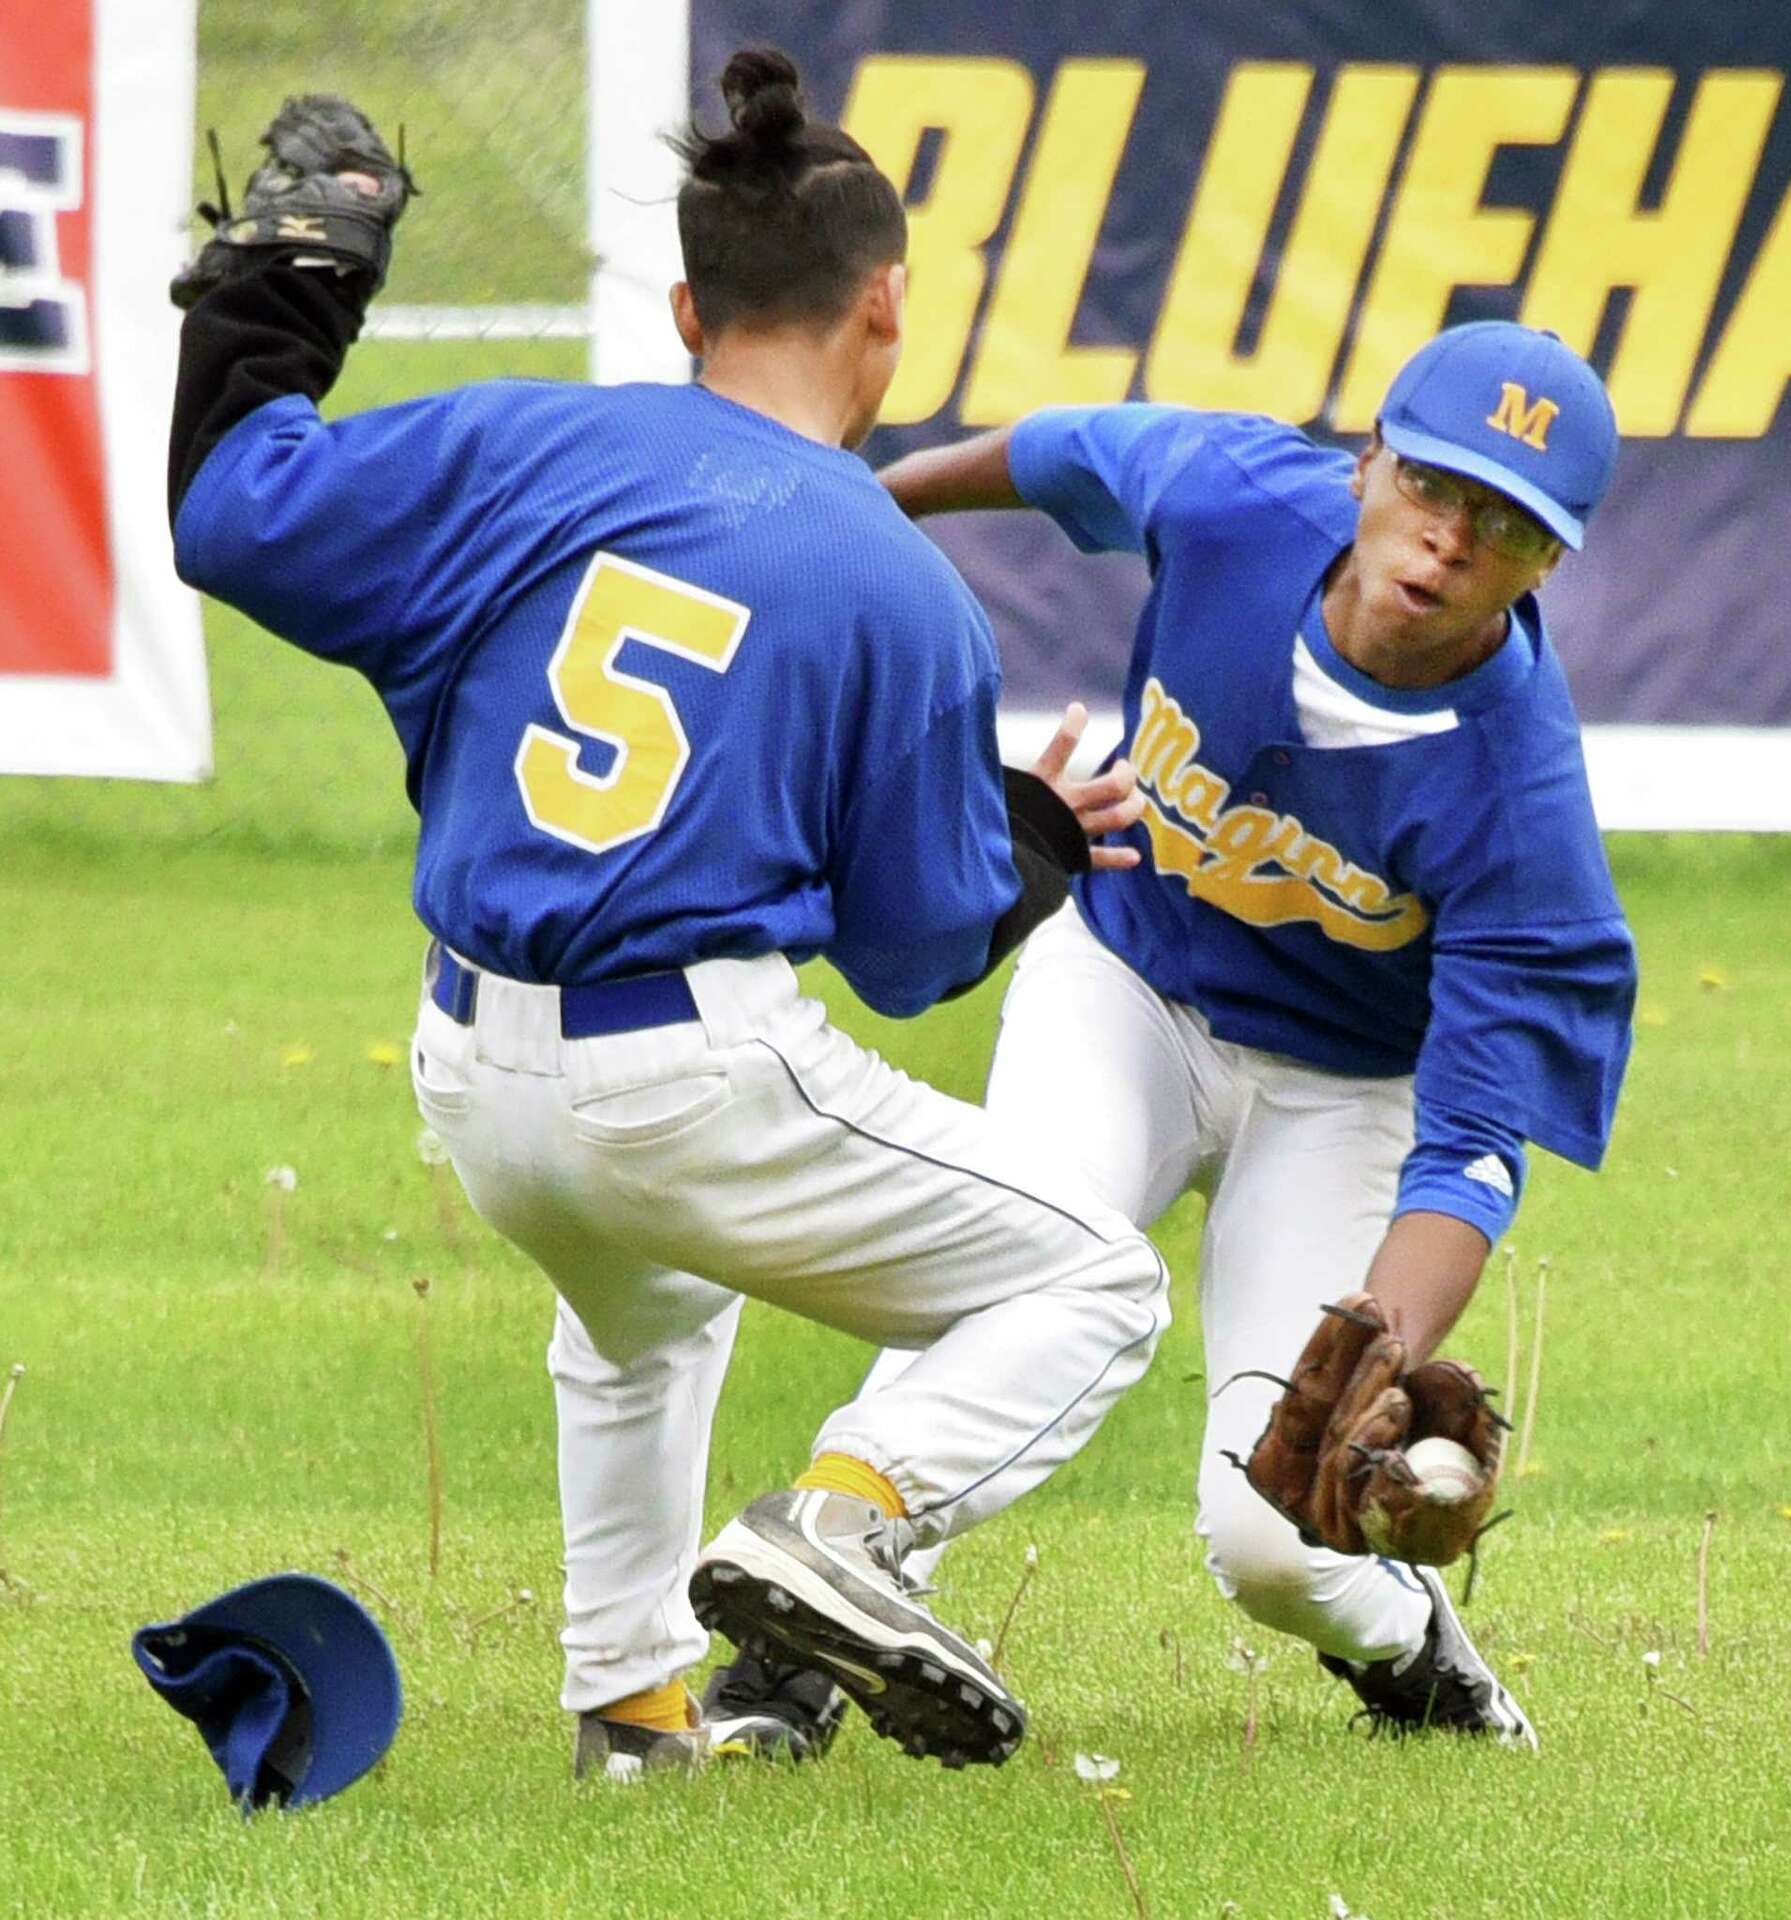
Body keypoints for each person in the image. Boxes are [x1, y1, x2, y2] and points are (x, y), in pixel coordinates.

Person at [165, 51, 1168, 1780]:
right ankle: (841, 1528)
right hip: (688, 1074)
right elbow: (917, 952)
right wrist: (1028, 836)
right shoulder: (897, 584)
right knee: (1097, 1278)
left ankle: (633, 1717)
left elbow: (232, 510)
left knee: (642, 1314)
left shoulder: (519, 437)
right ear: (889, 312)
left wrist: (285, 286)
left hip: (475, 1077)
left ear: (692, 304)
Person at [716, 320, 1637, 1751]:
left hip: (1339, 1094)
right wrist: (866, 502)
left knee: (1273, 1543)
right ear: (1368, 463)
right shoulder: (1233, 493)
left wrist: (1381, 1354)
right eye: (1439, 485)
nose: (1455, 540)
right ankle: (813, 1619)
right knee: (1008, 1266)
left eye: (1509, 524)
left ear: (1551, 565)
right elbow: (1053, 451)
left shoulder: (1522, 810)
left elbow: (1468, 1150)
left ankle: (1411, 1648)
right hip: (1128, 985)